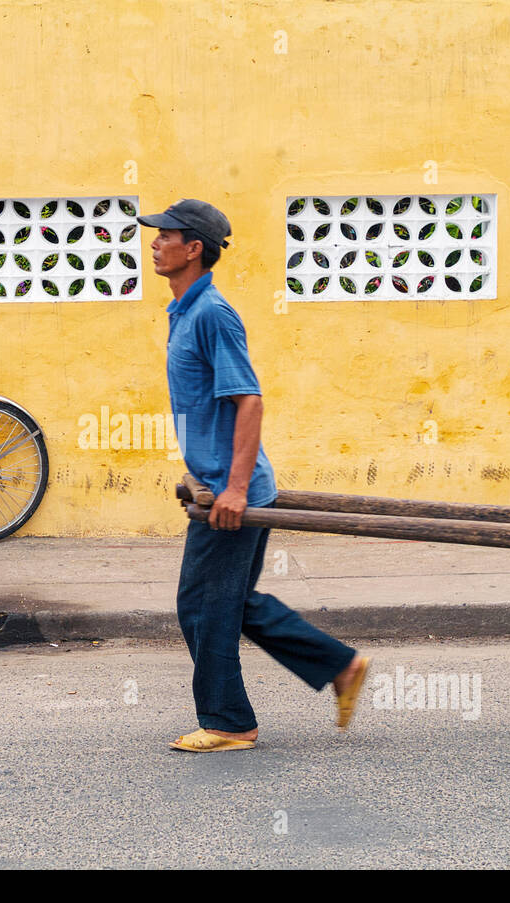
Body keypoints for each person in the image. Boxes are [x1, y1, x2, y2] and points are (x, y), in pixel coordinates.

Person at [136, 199, 371, 753]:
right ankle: (341, 666)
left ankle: (229, 722)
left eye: (165, 235)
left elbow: (249, 401)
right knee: (230, 603)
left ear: (193, 248)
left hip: (231, 492)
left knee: (201, 607)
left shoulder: (212, 313)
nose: (154, 242)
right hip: (220, 483)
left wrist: (236, 488)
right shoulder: (185, 311)